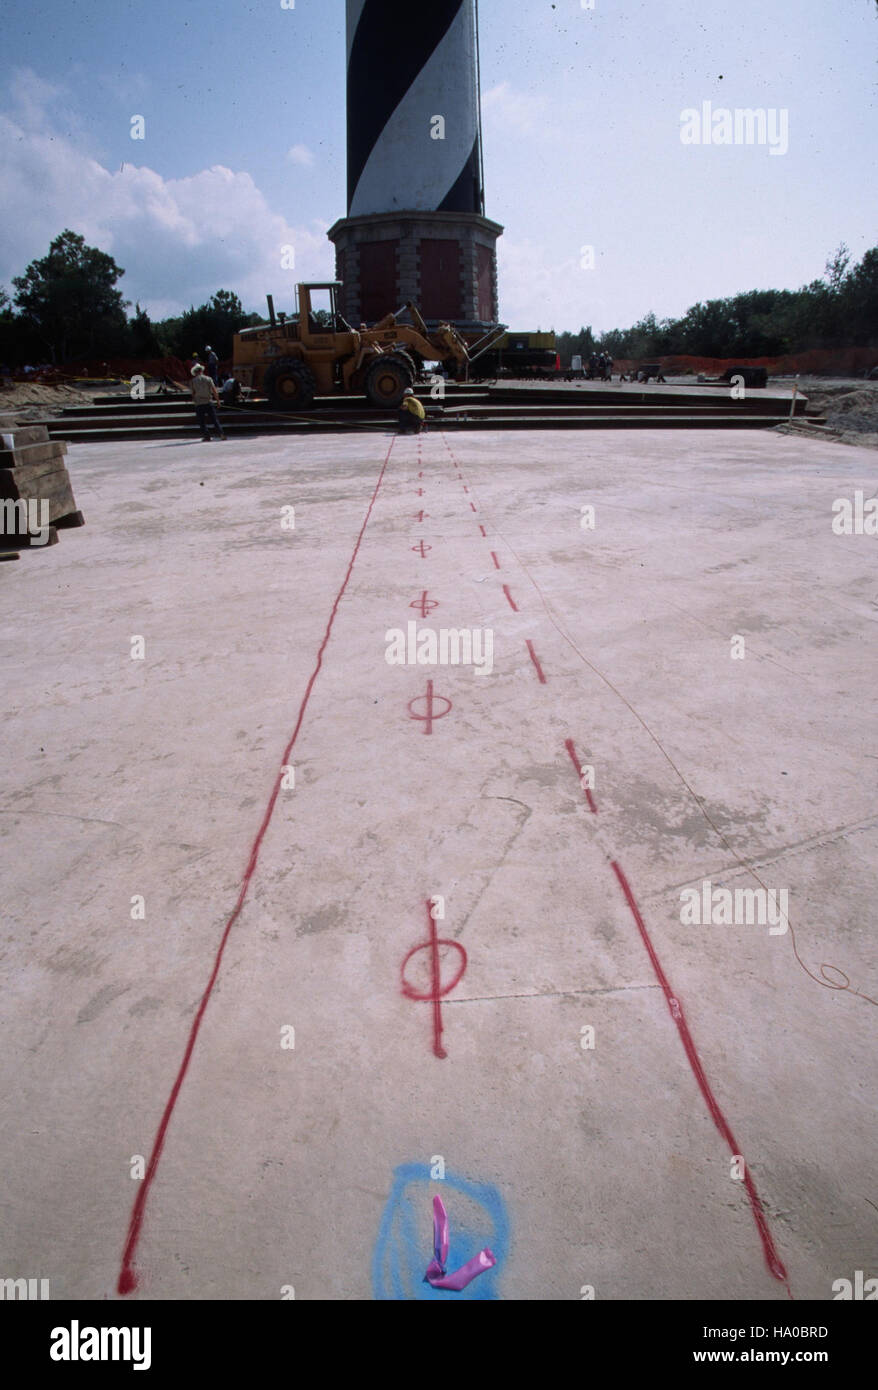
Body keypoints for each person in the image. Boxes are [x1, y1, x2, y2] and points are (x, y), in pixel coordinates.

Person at [191, 364, 226, 440]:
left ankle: (207, 436)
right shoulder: (208, 379)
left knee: (202, 421)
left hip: (199, 403)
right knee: (214, 420)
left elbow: (193, 393)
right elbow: (214, 391)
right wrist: (218, 401)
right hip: (208, 402)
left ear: (195, 372)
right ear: (202, 371)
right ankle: (221, 434)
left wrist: (194, 401)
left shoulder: (193, 381)